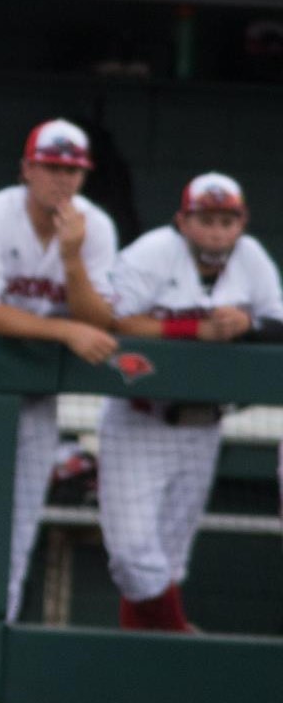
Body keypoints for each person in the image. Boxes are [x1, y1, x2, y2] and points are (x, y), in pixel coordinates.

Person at [0, 119, 118, 622]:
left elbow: (100, 320)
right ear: (27, 168)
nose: (62, 180)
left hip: (37, 399)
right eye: (51, 167)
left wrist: (73, 260)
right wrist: (63, 333)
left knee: (18, 535)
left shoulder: (94, 226)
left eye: (72, 169)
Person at [98, 173, 283, 631]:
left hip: (203, 425)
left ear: (242, 223)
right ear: (183, 220)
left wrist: (248, 326)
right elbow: (112, 320)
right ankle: (178, 636)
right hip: (139, 419)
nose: (217, 230)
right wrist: (190, 331)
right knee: (132, 555)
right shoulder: (152, 251)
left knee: (169, 560)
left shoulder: (252, 258)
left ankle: (146, 666)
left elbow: (278, 323)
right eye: (205, 219)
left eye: (227, 220)